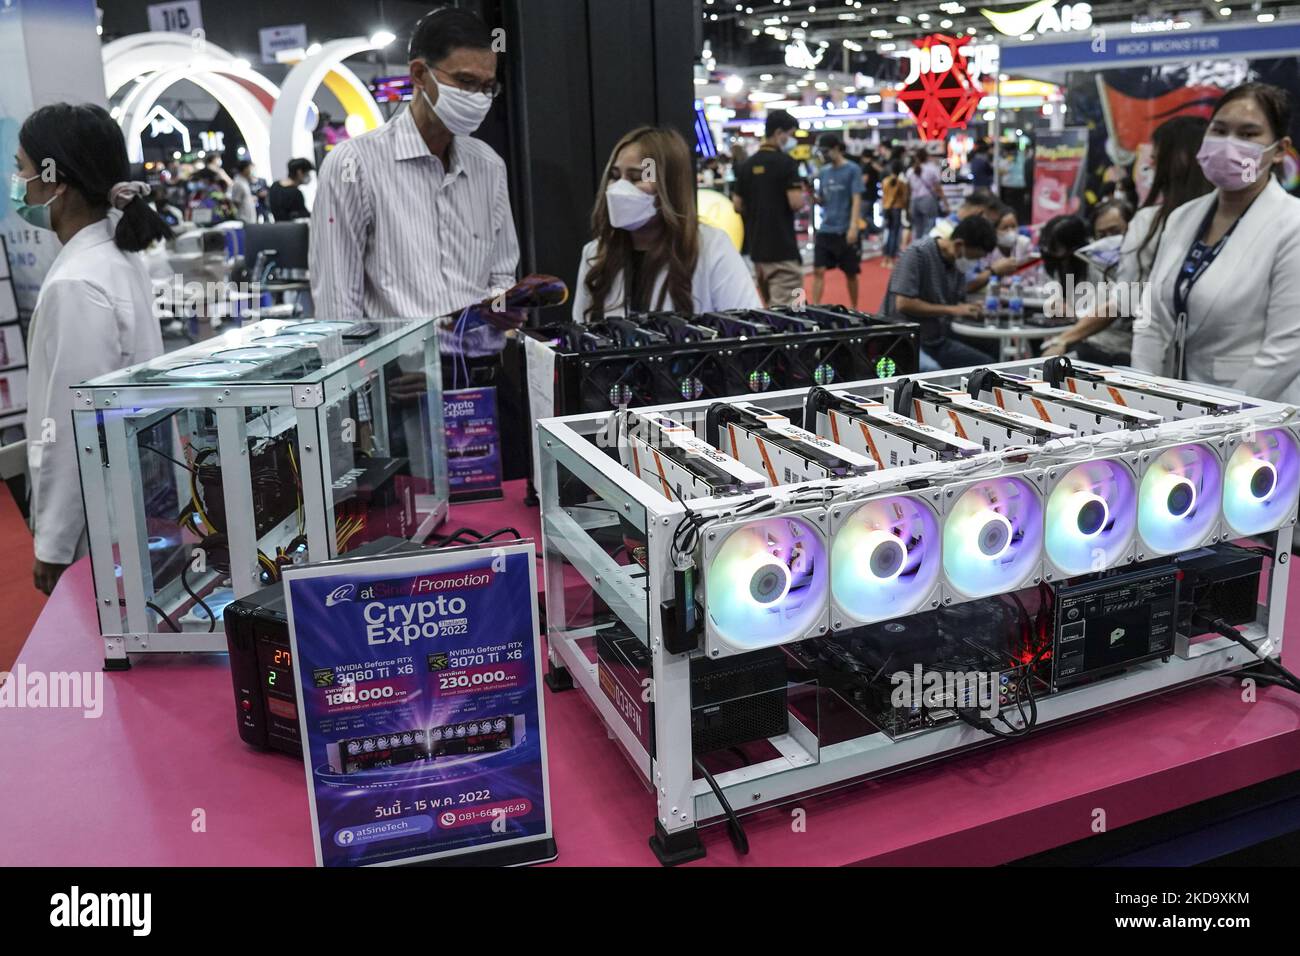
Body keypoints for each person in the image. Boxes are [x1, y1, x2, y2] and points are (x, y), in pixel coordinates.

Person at [12, 103, 172, 593]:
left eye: (21, 168)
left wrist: (53, 543)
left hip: (99, 522)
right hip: (136, 499)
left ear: (54, 180)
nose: (17, 183)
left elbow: (70, 424)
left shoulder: (77, 282)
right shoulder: (113, 257)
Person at [1133, 83, 1300, 403]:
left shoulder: (1292, 224)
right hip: (1172, 407)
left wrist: (1218, 415)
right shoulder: (1182, 218)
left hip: (1257, 412)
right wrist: (1142, 395)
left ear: (1280, 150)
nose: (1229, 144)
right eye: (1219, 130)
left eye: (1248, 134)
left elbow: (1286, 349)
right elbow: (1151, 319)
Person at [1045, 117, 1213, 362]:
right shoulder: (1150, 223)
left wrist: (1065, 338)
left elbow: (1123, 300)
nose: (1150, 165)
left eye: (1155, 158)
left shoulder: (1151, 224)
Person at [573, 126, 759, 320]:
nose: (620, 188)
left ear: (669, 185)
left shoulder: (711, 249)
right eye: (615, 176)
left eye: (636, 177)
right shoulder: (595, 255)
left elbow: (748, 327)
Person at [883, 215, 998, 370]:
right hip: (903, 340)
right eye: (974, 258)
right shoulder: (917, 253)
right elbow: (904, 303)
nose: (974, 264)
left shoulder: (956, 264)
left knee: (988, 365)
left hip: (936, 339)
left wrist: (970, 307)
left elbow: (956, 301)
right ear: (959, 244)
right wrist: (953, 309)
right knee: (932, 370)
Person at [732, 109, 805, 308]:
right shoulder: (787, 163)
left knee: (771, 311)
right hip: (783, 250)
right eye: (791, 134)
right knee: (792, 311)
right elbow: (796, 202)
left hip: (757, 250)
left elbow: (737, 205)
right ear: (779, 132)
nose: (792, 140)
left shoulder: (747, 165)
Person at [811, 133, 863, 307]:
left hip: (845, 229)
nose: (824, 155)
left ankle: (854, 308)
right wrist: (813, 196)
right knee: (818, 270)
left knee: (850, 273)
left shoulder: (853, 170)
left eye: (826, 151)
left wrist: (853, 227)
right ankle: (815, 307)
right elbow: (823, 200)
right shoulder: (824, 172)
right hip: (826, 229)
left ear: (836, 148)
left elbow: (856, 199)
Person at [906, 147, 945, 246]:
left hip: (914, 201)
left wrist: (908, 205)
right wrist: (945, 203)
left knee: (917, 228)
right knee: (929, 226)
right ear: (927, 157)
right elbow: (938, 188)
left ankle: (916, 249)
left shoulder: (910, 171)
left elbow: (908, 190)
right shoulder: (932, 169)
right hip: (928, 200)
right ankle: (925, 248)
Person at [879, 158, 909, 267]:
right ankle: (891, 259)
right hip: (896, 209)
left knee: (887, 233)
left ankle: (885, 258)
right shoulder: (901, 183)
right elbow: (904, 198)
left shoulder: (885, 181)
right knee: (894, 234)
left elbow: (884, 196)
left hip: (886, 209)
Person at [229, 158, 258, 223]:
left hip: (249, 218)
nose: (252, 171)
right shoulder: (238, 183)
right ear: (245, 169)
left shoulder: (244, 181)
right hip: (244, 218)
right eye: (250, 168)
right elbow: (236, 201)